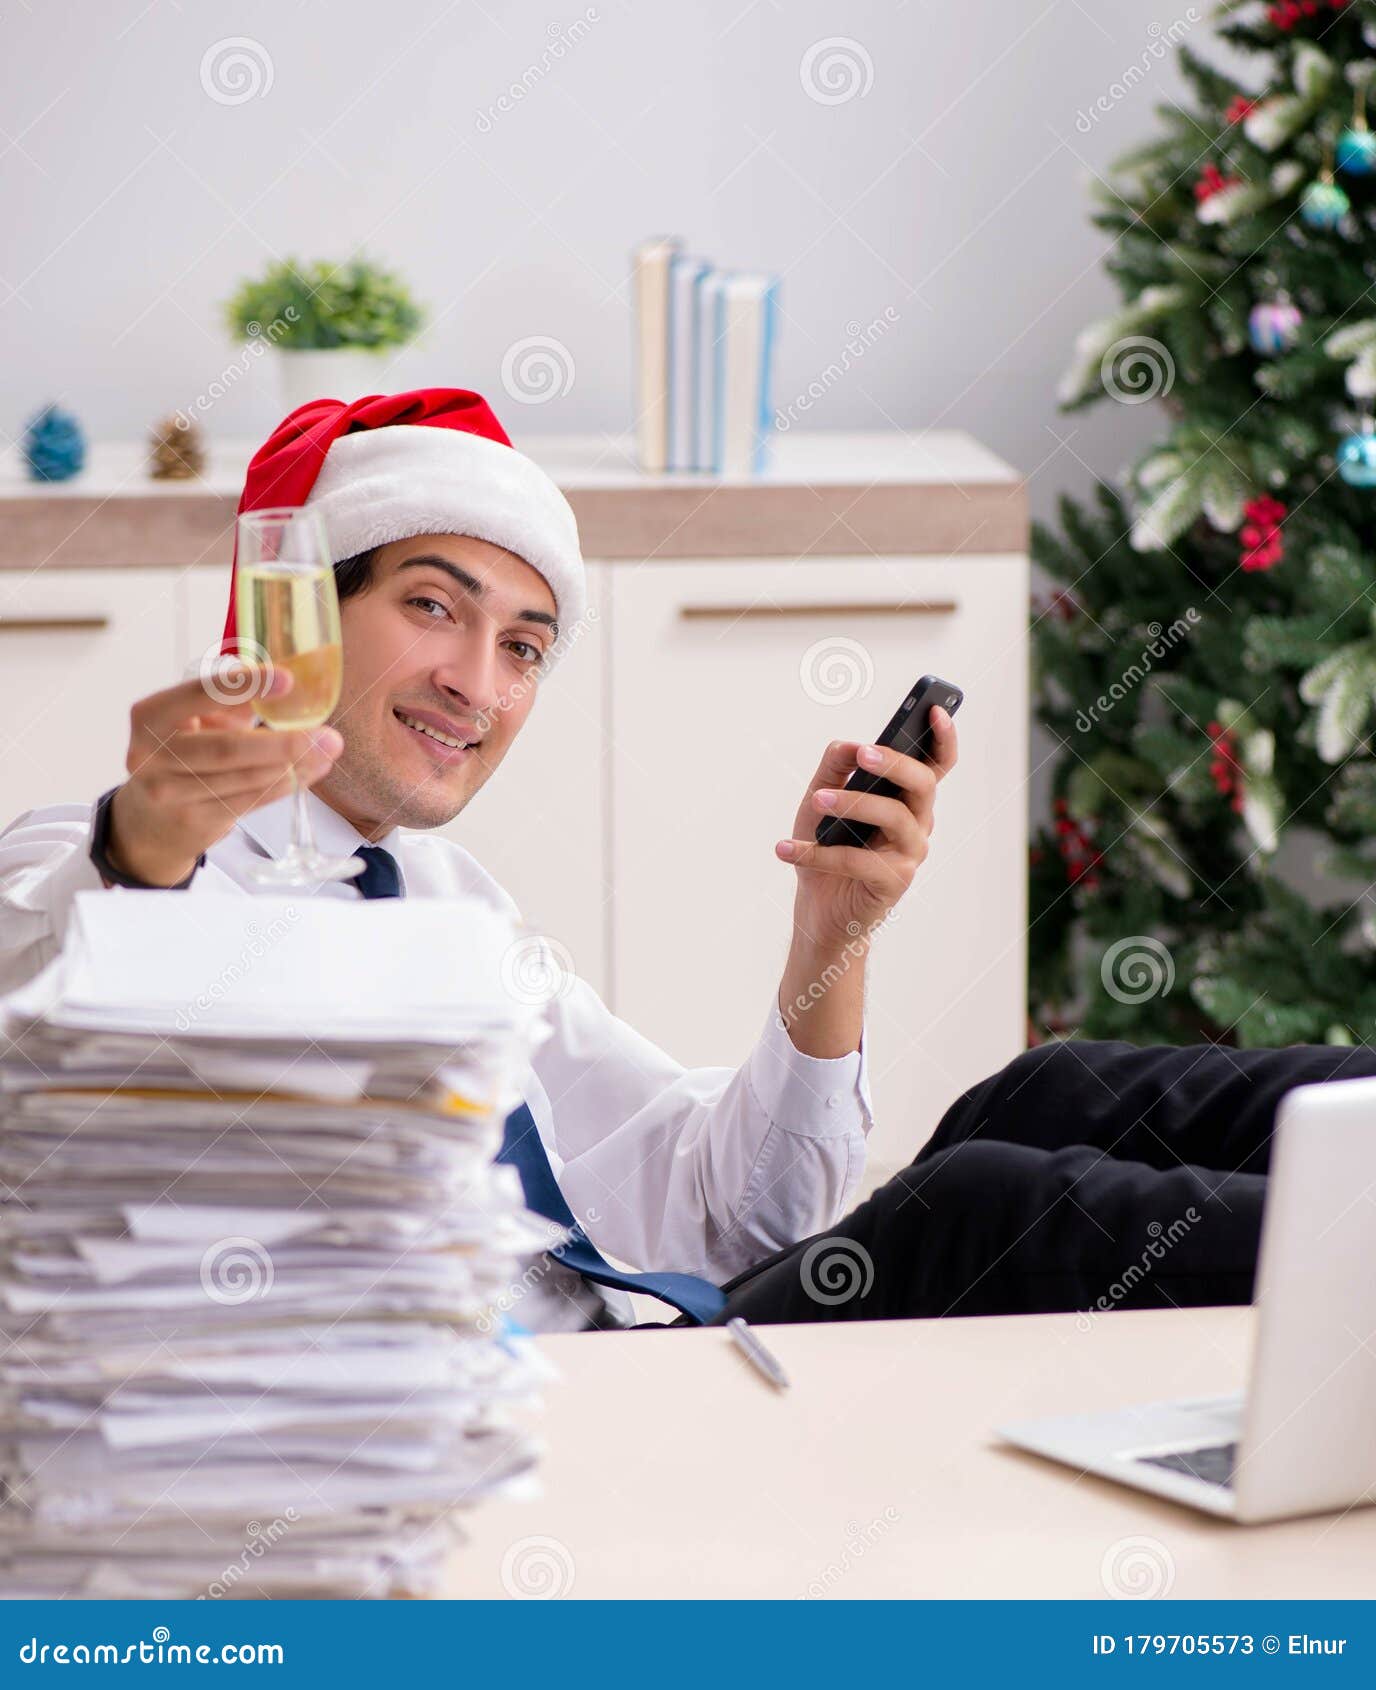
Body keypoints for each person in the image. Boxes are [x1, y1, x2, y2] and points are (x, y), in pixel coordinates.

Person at [0, 386, 1348, 1334]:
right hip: (533, 1406)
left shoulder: (459, 912)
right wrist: (150, 841)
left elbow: (733, 1214)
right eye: (431, 607)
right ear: (305, 611)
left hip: (667, 1333)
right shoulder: (98, 855)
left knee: (1057, 1085)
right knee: (984, 1203)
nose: (477, 682)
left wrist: (834, 929)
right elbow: (46, 982)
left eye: (524, 644)